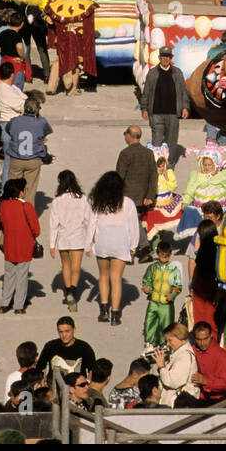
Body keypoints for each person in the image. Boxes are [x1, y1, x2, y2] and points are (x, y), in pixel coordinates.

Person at [86, 170, 140, 326]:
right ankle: (115, 314)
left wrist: (88, 244)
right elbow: (133, 225)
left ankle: (103, 309)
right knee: (116, 278)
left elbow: (91, 224)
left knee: (103, 275)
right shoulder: (127, 202)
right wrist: (133, 245)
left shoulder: (98, 202)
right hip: (120, 242)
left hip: (103, 241)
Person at [47, 171, 90, 312]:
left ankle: (67, 292)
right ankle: (73, 291)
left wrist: (52, 244)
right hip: (78, 235)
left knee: (66, 265)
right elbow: (88, 220)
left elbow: (53, 224)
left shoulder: (57, 201)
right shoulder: (82, 198)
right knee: (76, 266)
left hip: (63, 236)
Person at [0, 177, 40, 315]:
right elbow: (36, 230)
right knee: (22, 276)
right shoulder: (27, 206)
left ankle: (4, 304)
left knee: (9, 275)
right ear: (20, 192)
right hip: (24, 246)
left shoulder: (3, 205)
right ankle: (19, 306)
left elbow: (3, 223)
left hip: (9, 246)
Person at [141, 47, 189, 164]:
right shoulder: (152, 73)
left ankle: (169, 164)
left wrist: (185, 107)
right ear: (159, 58)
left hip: (173, 113)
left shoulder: (177, 73)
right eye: (163, 56)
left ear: (171, 58)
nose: (165, 59)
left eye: (168, 56)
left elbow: (183, 91)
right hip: (156, 113)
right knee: (156, 141)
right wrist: (144, 108)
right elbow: (146, 92)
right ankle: (156, 165)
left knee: (171, 141)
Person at [116, 125, 158, 253]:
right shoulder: (148, 153)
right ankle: (141, 247)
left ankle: (142, 247)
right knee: (135, 222)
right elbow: (153, 176)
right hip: (144, 197)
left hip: (127, 196)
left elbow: (119, 176)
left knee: (131, 224)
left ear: (129, 135)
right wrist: (150, 195)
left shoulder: (125, 154)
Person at [4, 96, 51, 208]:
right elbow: (46, 131)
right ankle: (27, 214)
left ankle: (13, 212)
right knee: (30, 190)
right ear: (36, 110)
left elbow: (8, 129)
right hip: (33, 160)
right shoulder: (41, 122)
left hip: (16, 158)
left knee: (14, 189)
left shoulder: (15, 121)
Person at [140, 236, 182, 351]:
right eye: (162, 255)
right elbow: (146, 280)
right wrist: (147, 288)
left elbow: (178, 285)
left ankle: (165, 344)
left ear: (170, 255)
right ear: (157, 254)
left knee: (166, 325)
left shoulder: (173, 269)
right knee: (150, 322)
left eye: (167, 256)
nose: (164, 258)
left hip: (166, 303)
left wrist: (172, 295)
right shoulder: (152, 268)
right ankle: (150, 343)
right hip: (153, 301)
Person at [186, 210, 221, 333]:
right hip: (212, 286)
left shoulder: (201, 251)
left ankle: (200, 344)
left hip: (200, 286)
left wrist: (191, 286)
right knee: (212, 320)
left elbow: (194, 264)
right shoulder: (218, 250)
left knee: (200, 319)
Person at [152, 322, 201, 408]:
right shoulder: (179, 354)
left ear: (181, 338)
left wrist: (161, 366)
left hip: (178, 406)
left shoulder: (185, 356)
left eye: (170, 340)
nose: (167, 344)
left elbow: (173, 382)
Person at [190, 320, 226, 404]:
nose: (202, 343)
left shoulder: (221, 355)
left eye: (205, 339)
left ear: (211, 336)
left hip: (216, 400)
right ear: (194, 338)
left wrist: (206, 381)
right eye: (198, 339)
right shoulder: (191, 350)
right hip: (196, 397)